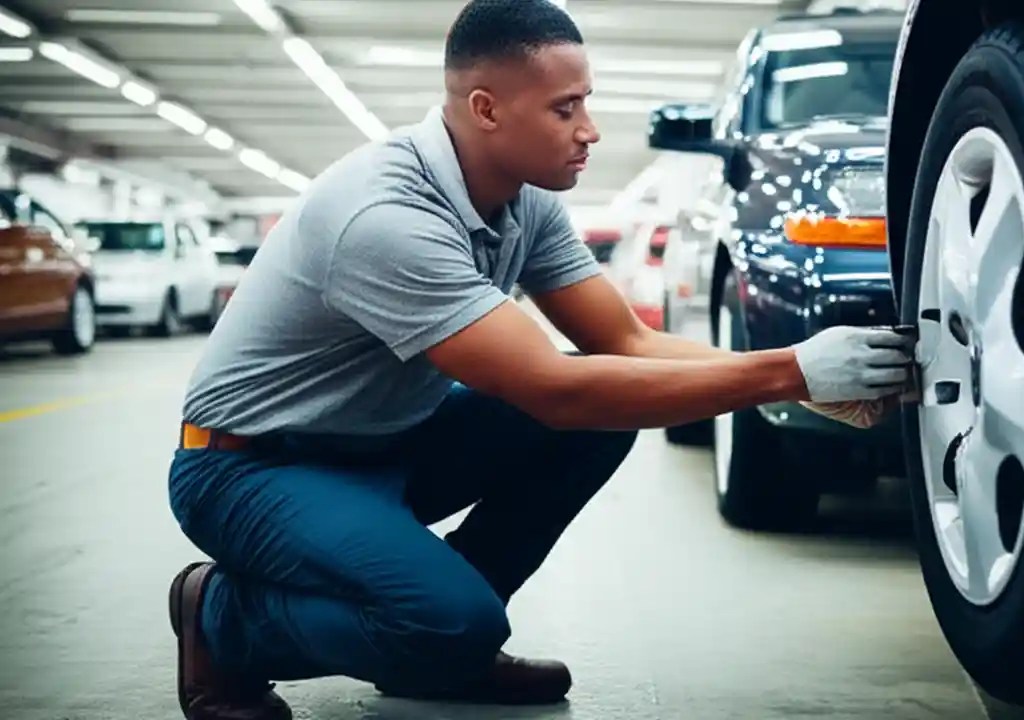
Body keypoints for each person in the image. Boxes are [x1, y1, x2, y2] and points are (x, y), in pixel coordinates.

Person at [165, 1, 917, 718]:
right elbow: (555, 390)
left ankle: (445, 651)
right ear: (487, 109)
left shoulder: (524, 201)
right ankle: (223, 620)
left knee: (604, 418)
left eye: (585, 103)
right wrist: (790, 372)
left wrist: (791, 377)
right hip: (250, 470)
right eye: (566, 109)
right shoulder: (383, 216)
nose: (589, 130)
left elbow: (627, 345)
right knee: (463, 607)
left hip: (383, 447)